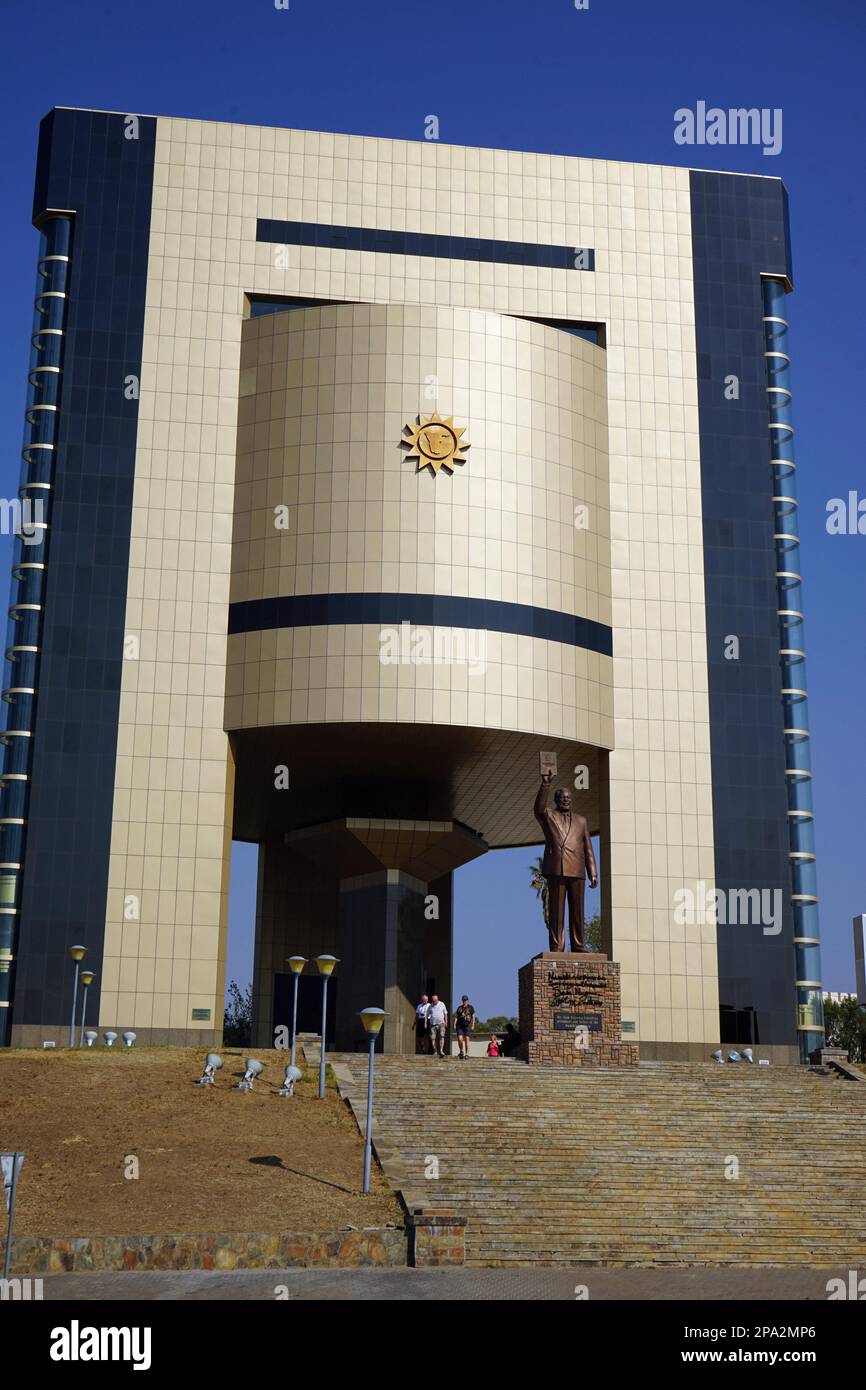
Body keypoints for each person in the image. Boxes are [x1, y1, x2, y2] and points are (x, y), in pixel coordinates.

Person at [534, 768, 598, 953]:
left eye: (568, 798)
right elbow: (538, 809)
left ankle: (579, 944)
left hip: (577, 869)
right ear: (556, 800)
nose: (565, 800)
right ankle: (557, 945)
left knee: (578, 911)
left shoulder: (581, 821)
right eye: (562, 798)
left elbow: (588, 848)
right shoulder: (549, 816)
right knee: (556, 912)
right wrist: (545, 783)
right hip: (557, 869)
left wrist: (592, 872)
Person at [454, 995, 476, 1059]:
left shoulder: (470, 1007)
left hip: (467, 1025)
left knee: (467, 1039)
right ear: (462, 1001)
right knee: (460, 1039)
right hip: (459, 1025)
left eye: (466, 1000)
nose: (465, 1001)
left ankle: (467, 1054)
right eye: (463, 1000)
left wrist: (473, 1024)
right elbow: (456, 1016)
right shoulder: (459, 1008)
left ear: (468, 1000)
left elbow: (473, 1016)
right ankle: (461, 1051)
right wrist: (454, 1024)